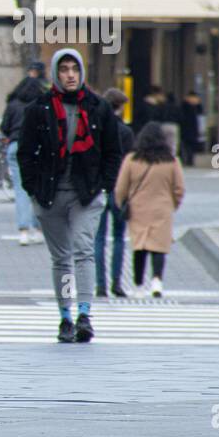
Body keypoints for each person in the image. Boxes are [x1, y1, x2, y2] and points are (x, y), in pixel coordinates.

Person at [17, 48, 122, 343]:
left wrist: (104, 185)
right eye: (63, 69)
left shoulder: (98, 107)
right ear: (55, 73)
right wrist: (33, 189)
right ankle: (65, 317)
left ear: (82, 72)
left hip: (86, 195)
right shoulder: (40, 108)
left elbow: (113, 151)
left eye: (74, 69)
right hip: (50, 194)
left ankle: (85, 314)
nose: (70, 75)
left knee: (83, 248)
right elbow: (25, 153)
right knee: (61, 258)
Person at [115, 122, 185, 298]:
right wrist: (173, 204)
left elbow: (121, 188)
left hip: (138, 208)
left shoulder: (132, 159)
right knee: (159, 247)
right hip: (162, 208)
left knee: (140, 247)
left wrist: (121, 203)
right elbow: (179, 188)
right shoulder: (172, 160)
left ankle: (138, 285)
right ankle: (157, 282)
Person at [94, 88, 135, 297]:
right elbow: (130, 164)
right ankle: (117, 283)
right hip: (120, 188)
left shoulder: (96, 129)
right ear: (120, 107)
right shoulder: (126, 132)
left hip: (99, 187)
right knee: (119, 236)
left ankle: (100, 285)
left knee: (98, 237)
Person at [0, 72, 46, 245]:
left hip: (15, 146)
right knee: (38, 188)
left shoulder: (13, 105)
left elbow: (4, 127)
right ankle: (39, 229)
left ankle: (24, 231)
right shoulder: (42, 104)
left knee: (21, 190)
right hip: (37, 147)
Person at [179, 91, 204, 167]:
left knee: (192, 147)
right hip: (186, 129)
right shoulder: (184, 106)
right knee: (186, 146)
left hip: (194, 130)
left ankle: (190, 160)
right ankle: (186, 160)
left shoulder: (198, 107)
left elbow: (201, 117)